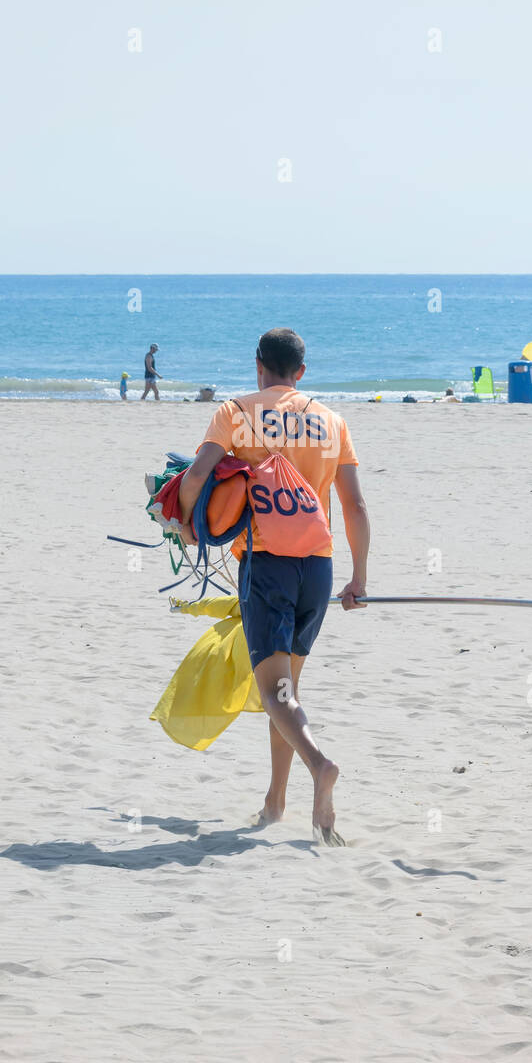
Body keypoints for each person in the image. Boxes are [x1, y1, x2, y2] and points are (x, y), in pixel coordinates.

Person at [177, 328, 370, 845]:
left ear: (258, 365)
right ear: (301, 372)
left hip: (267, 564)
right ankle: (275, 802)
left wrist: (186, 523)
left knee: (273, 692)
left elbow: (197, 474)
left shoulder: (235, 412)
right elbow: (354, 505)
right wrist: (359, 578)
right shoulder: (332, 420)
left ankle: (320, 765)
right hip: (320, 566)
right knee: (288, 692)